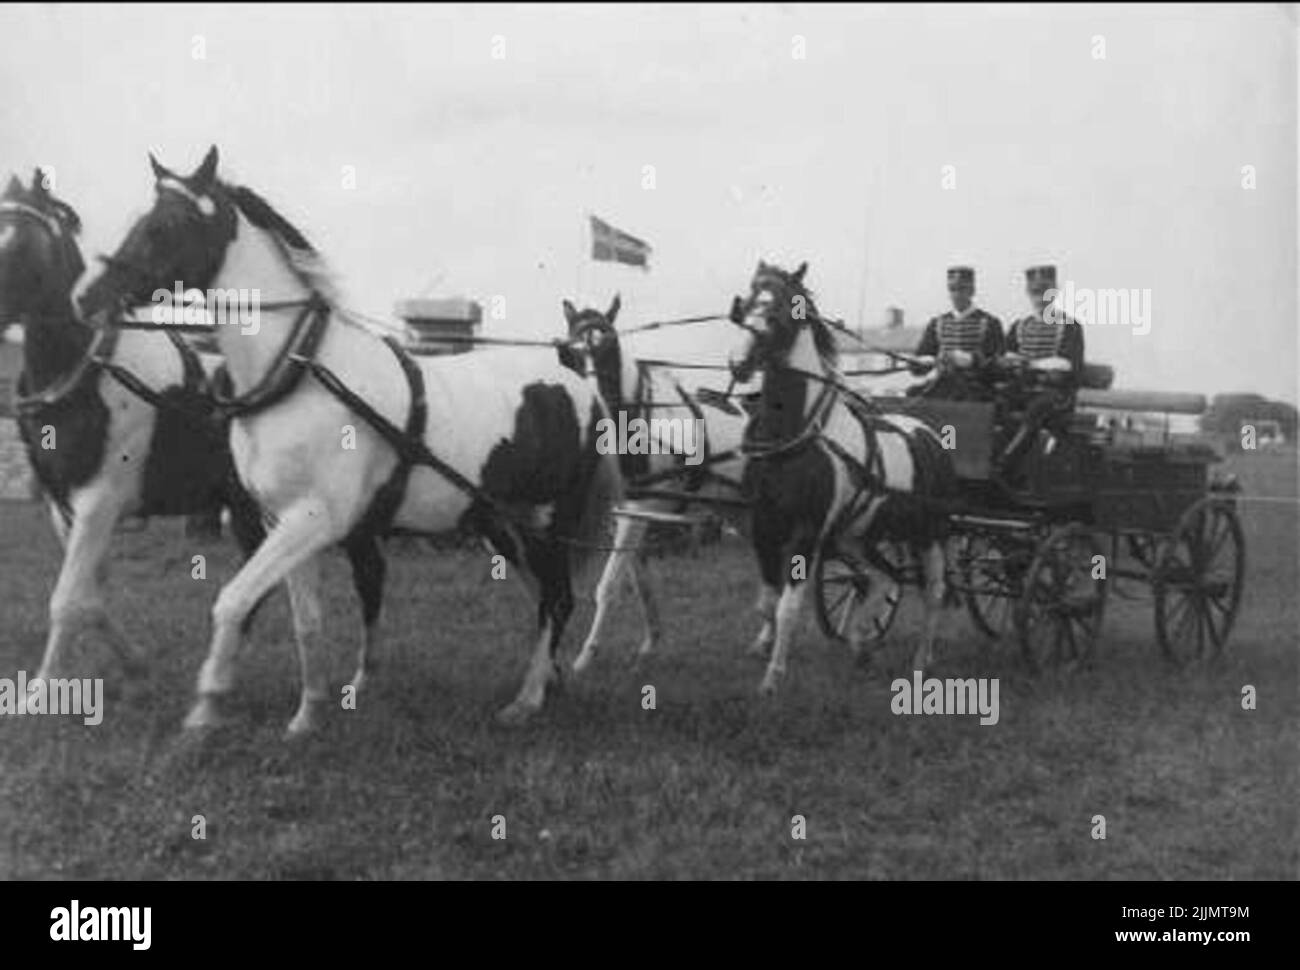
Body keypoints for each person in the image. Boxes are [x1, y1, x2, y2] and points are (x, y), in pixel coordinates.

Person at [998, 264, 1085, 476]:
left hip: (1055, 394)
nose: (1040, 297)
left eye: (1045, 291)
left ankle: (1006, 464)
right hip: (1022, 388)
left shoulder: (1070, 325)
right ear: (1028, 293)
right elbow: (1005, 357)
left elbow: (1068, 363)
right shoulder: (1019, 326)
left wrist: (1032, 364)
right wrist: (1007, 363)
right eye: (1035, 292)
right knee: (993, 402)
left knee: (1037, 409)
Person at [909, 266, 1005, 400]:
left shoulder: (990, 322)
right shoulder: (937, 323)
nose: (957, 295)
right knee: (912, 396)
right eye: (953, 290)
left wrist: (971, 360)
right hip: (941, 383)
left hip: (975, 386)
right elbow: (919, 362)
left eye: (962, 289)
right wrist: (925, 361)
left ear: (972, 291)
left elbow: (997, 362)